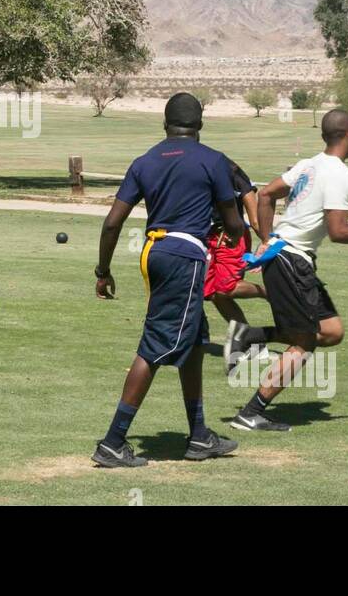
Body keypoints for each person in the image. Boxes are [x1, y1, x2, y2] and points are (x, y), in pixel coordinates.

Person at [90, 92, 244, 467]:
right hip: (185, 257)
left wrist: (103, 270)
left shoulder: (144, 161)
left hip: (153, 253)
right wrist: (227, 225)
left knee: (192, 343)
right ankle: (112, 442)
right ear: (201, 125)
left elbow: (113, 223)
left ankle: (199, 436)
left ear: (164, 123)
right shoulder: (213, 161)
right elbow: (236, 226)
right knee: (157, 344)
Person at [225, 108, 348, 432]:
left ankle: (253, 335)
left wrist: (267, 238)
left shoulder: (308, 165)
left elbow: (266, 193)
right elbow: (338, 231)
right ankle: (251, 412)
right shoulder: (339, 173)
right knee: (304, 343)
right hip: (293, 261)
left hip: (287, 258)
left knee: (331, 331)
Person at [205, 158, 270, 371]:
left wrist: (266, 242)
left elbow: (254, 217)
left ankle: (269, 292)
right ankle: (253, 344)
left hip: (233, 239)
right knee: (215, 295)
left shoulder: (237, 177)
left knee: (226, 288)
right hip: (212, 238)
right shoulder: (207, 173)